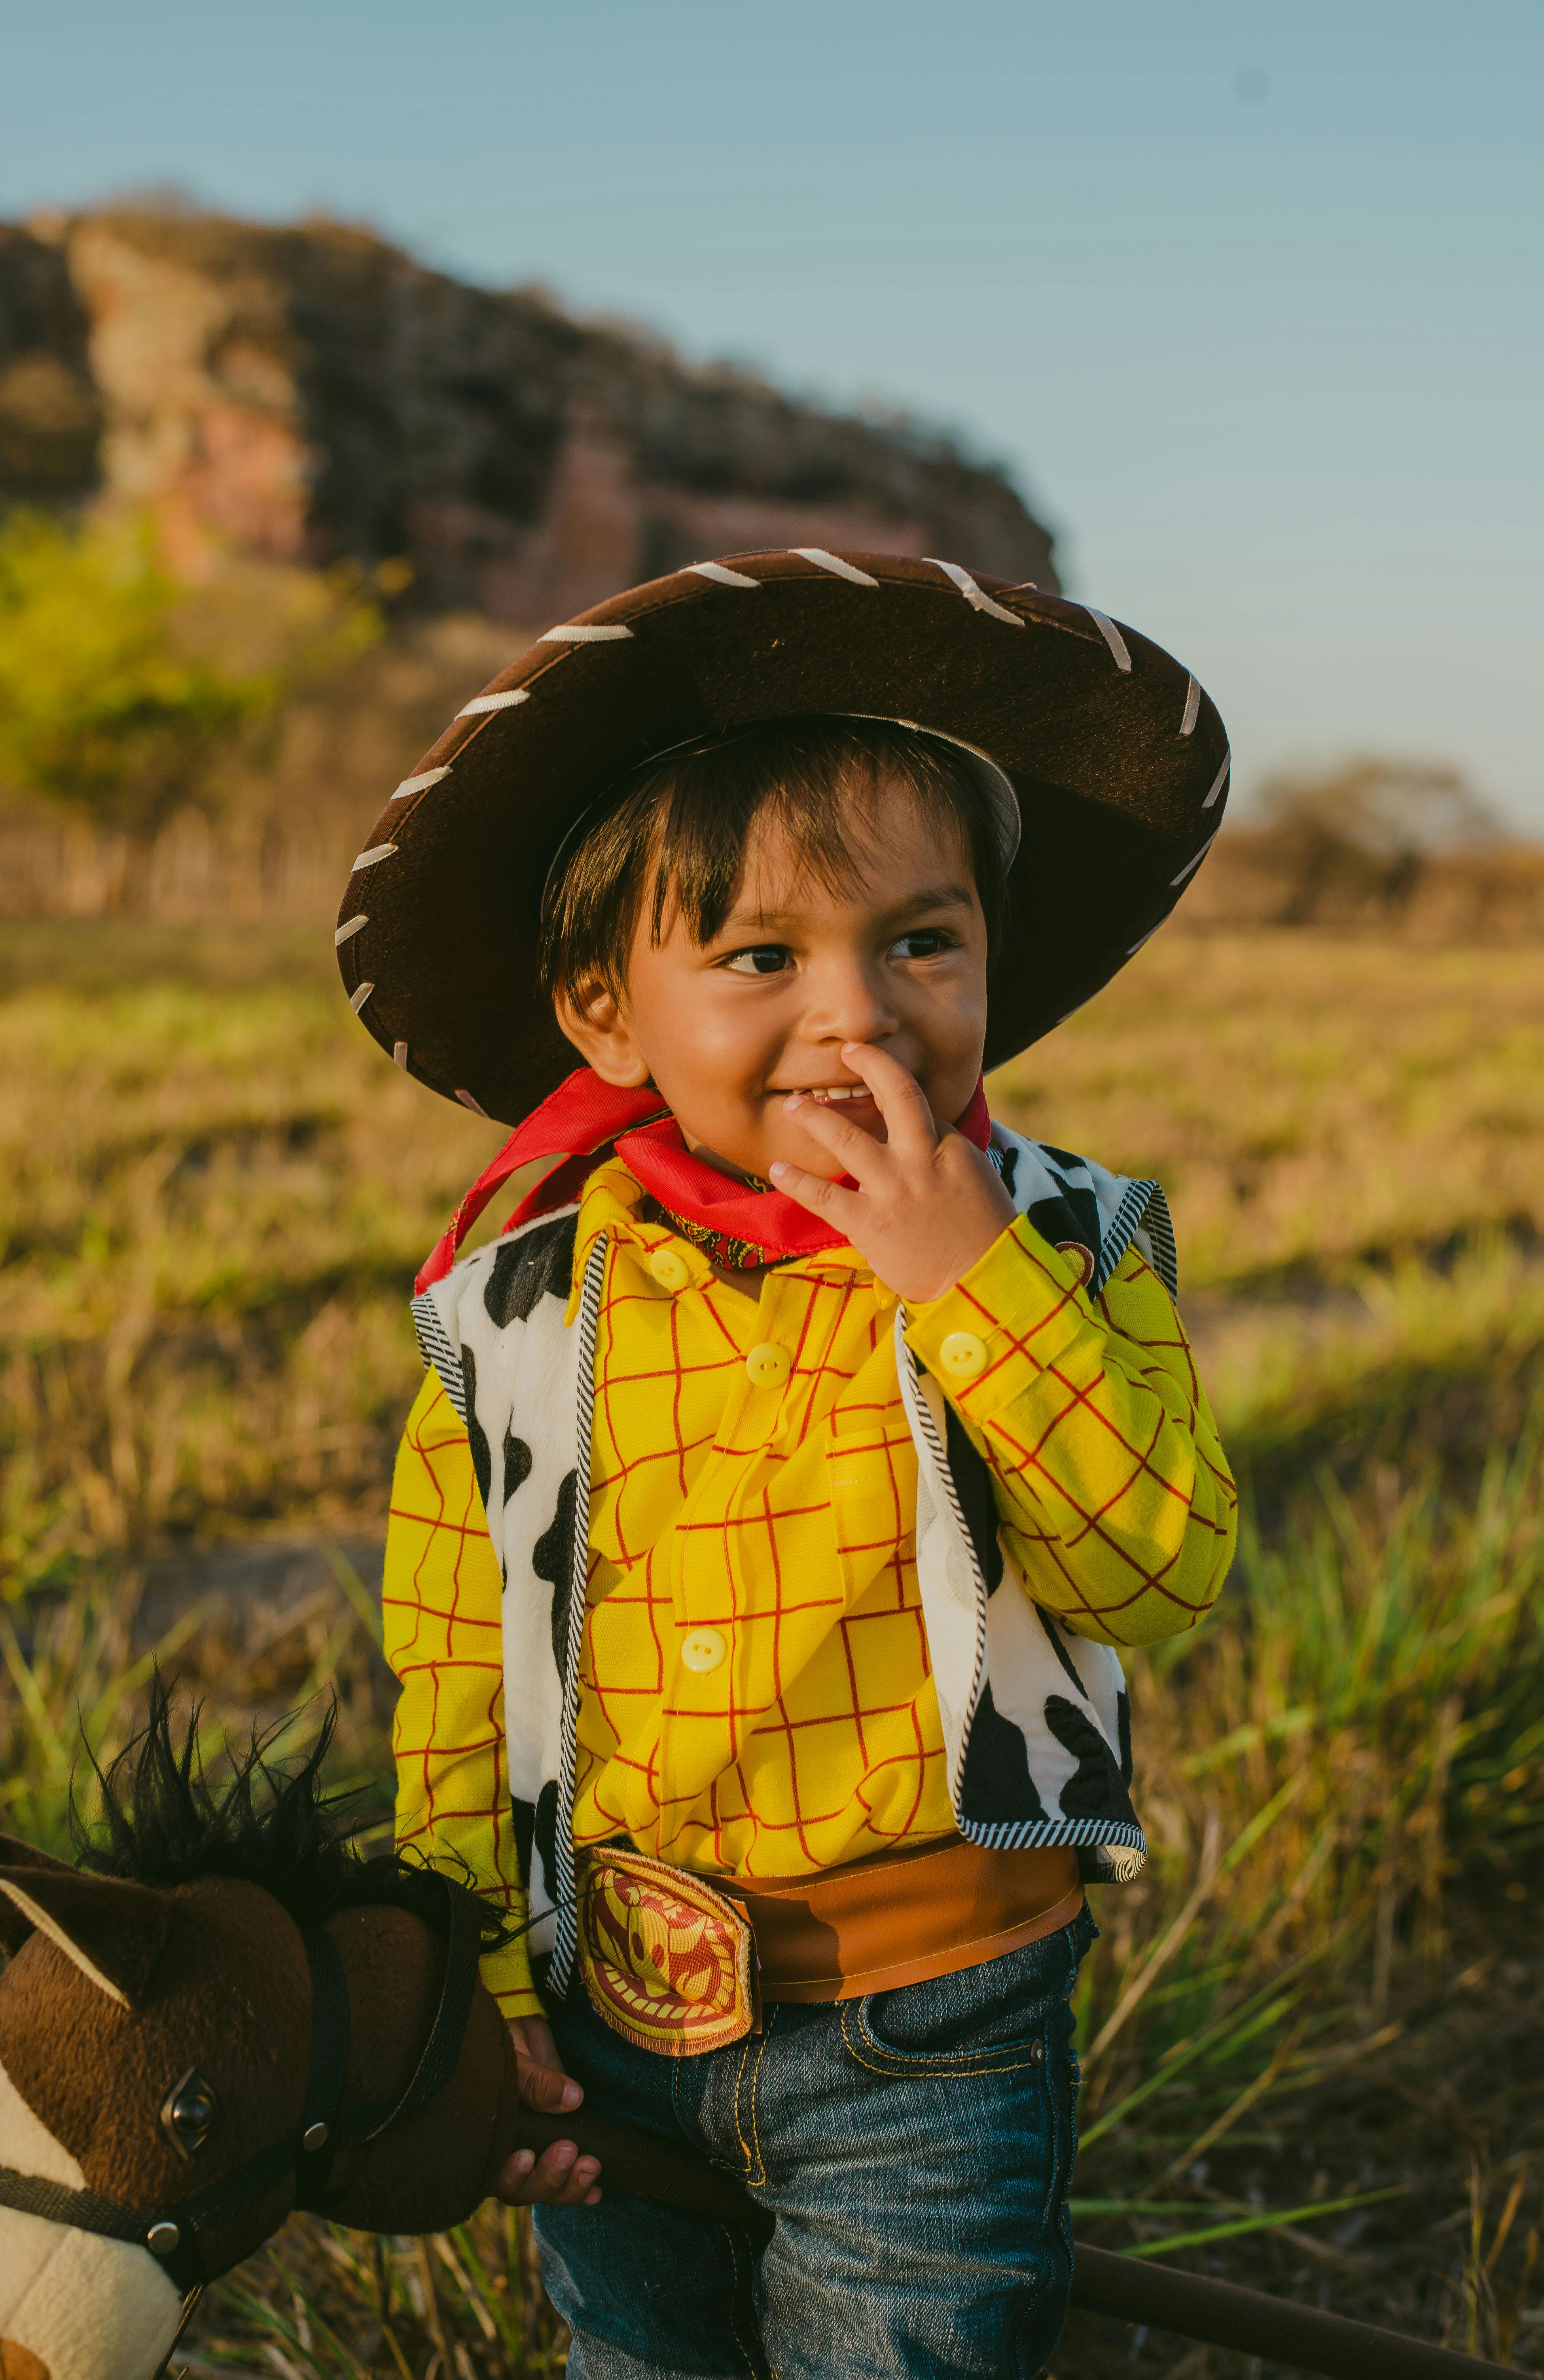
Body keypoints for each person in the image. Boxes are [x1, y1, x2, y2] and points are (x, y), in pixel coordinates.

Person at [343, 550, 1238, 2379]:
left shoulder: (1058, 1241)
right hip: (605, 2010)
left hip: (930, 2022)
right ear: (606, 1014)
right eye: (758, 957)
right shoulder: (512, 1305)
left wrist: (964, 1278)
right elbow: (457, 1666)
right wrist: (485, 1976)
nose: (853, 1014)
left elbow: (1155, 1572)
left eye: (919, 941)